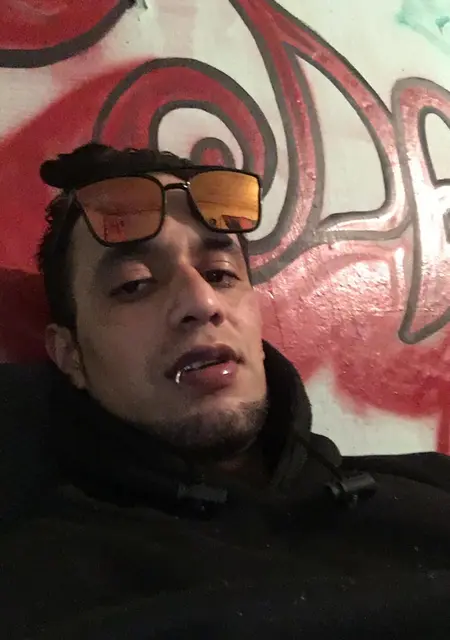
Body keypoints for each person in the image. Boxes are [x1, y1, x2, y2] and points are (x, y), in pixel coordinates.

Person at [1, 143, 450, 640]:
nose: (201, 301)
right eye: (134, 284)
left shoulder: (431, 483)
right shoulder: (41, 582)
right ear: (69, 355)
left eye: (219, 274)